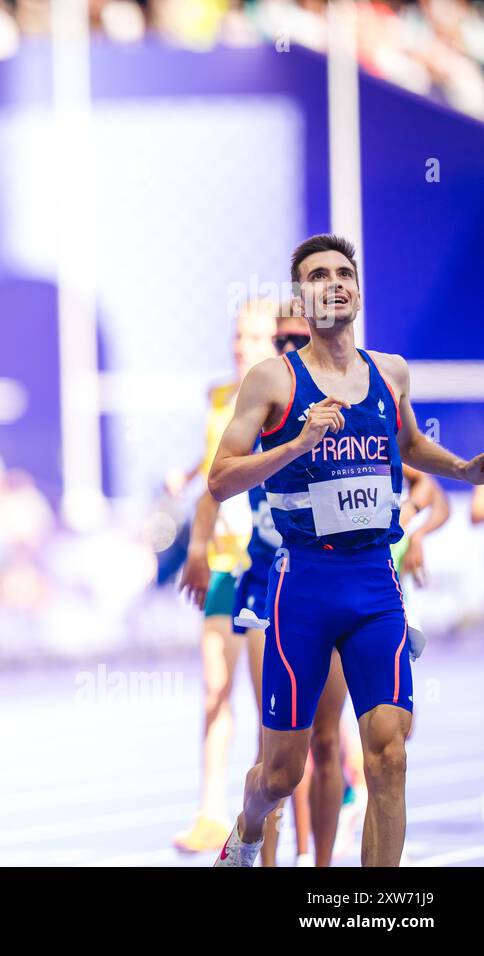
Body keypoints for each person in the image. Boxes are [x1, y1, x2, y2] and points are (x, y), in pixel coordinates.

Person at [211, 234, 484, 867]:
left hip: (373, 585)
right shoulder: (272, 380)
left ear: (357, 291)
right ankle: (246, 834)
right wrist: (297, 445)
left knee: (388, 753)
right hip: (302, 586)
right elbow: (221, 477)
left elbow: (409, 446)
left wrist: (465, 470)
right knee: (282, 773)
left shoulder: (390, 372)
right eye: (317, 276)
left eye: (343, 273)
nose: (333, 283)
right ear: (301, 300)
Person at [172, 299, 277, 853]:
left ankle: (276, 811)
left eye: (255, 337)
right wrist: (186, 474)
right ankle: (211, 812)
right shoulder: (218, 396)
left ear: (275, 343)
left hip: (266, 565)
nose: (242, 347)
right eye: (238, 336)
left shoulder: (284, 399)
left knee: (272, 704)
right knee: (215, 689)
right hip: (222, 562)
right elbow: (218, 456)